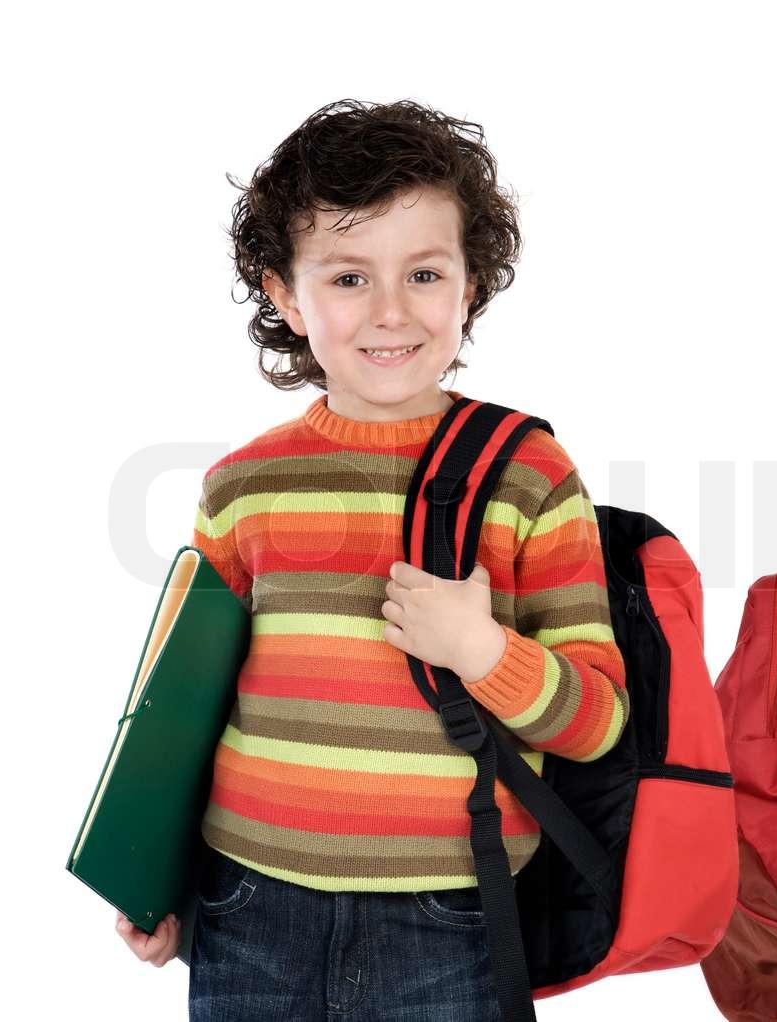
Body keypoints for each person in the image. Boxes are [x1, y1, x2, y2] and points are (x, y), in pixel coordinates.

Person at [114, 98, 628, 1021]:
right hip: (245, 908)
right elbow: (178, 716)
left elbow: (597, 724)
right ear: (285, 294)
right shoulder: (242, 486)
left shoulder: (529, 475)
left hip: (452, 917)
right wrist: (162, 879)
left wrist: (483, 651)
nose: (391, 311)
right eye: (349, 277)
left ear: (470, 286)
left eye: (424, 273)